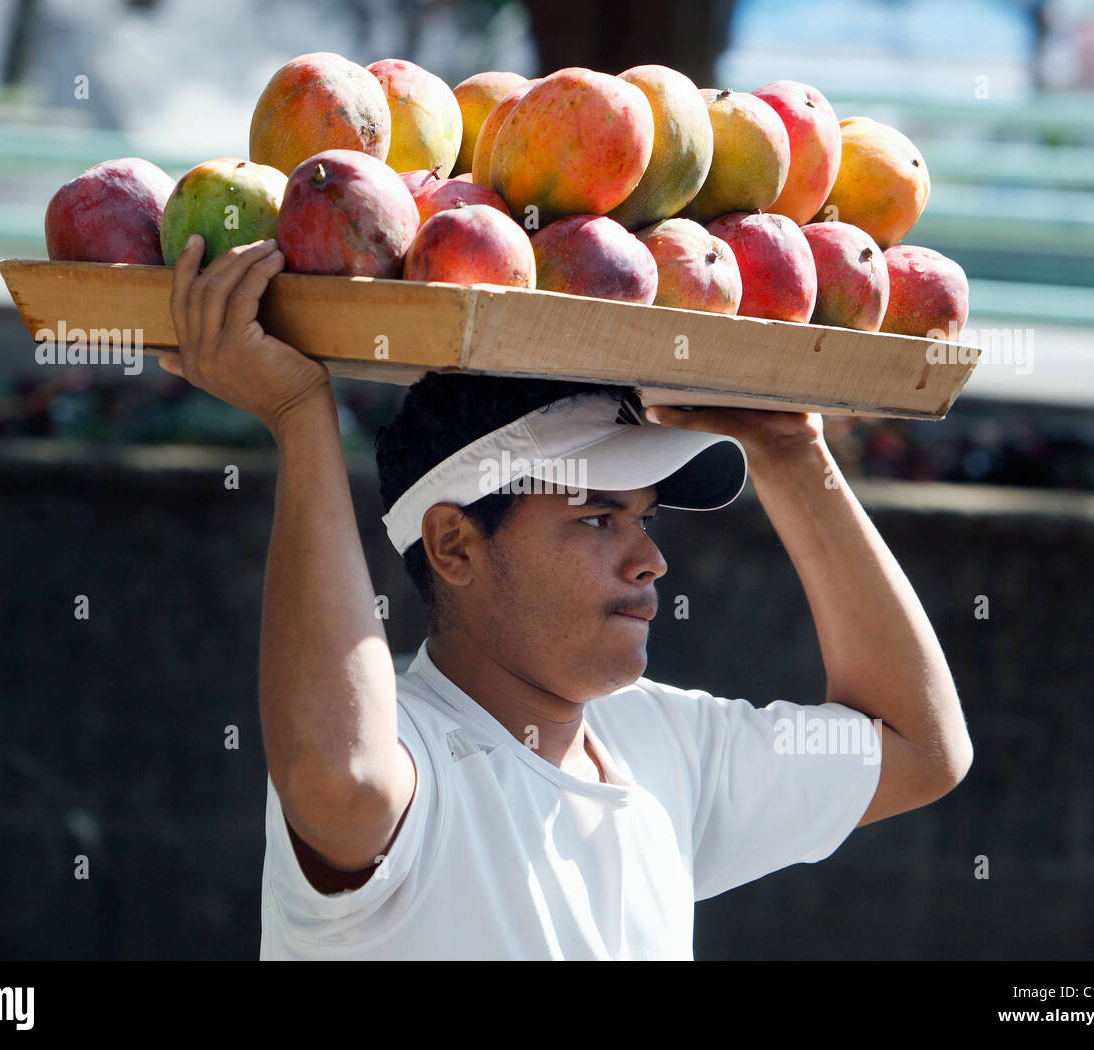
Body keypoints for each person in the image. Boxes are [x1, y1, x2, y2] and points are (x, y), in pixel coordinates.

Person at [159, 236, 974, 960]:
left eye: (644, 519)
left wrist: (792, 451)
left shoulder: (664, 742)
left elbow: (921, 748)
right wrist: (300, 416)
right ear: (453, 545)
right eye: (595, 518)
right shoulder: (414, 755)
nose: (650, 560)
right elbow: (342, 780)